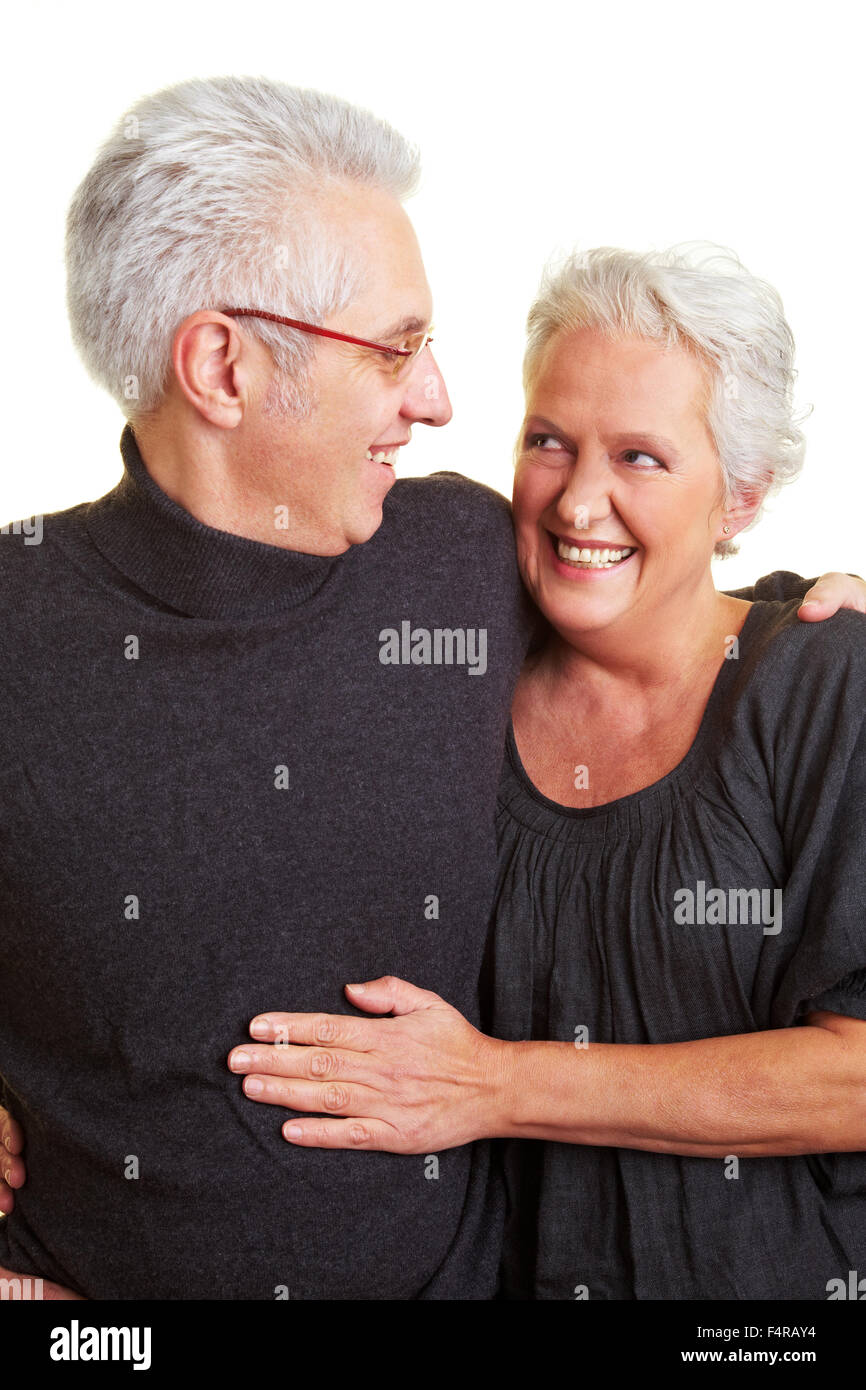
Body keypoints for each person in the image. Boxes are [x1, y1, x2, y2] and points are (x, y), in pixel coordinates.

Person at [0, 82, 860, 1299]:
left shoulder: (453, 556)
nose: (437, 401)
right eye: (395, 347)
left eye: (429, 346)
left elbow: (651, 594)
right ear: (222, 367)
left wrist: (812, 605)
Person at [224, 245, 866, 1301]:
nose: (576, 504)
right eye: (548, 443)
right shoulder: (444, 674)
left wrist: (494, 1085)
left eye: (641, 460)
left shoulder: (822, 682)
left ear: (739, 495)